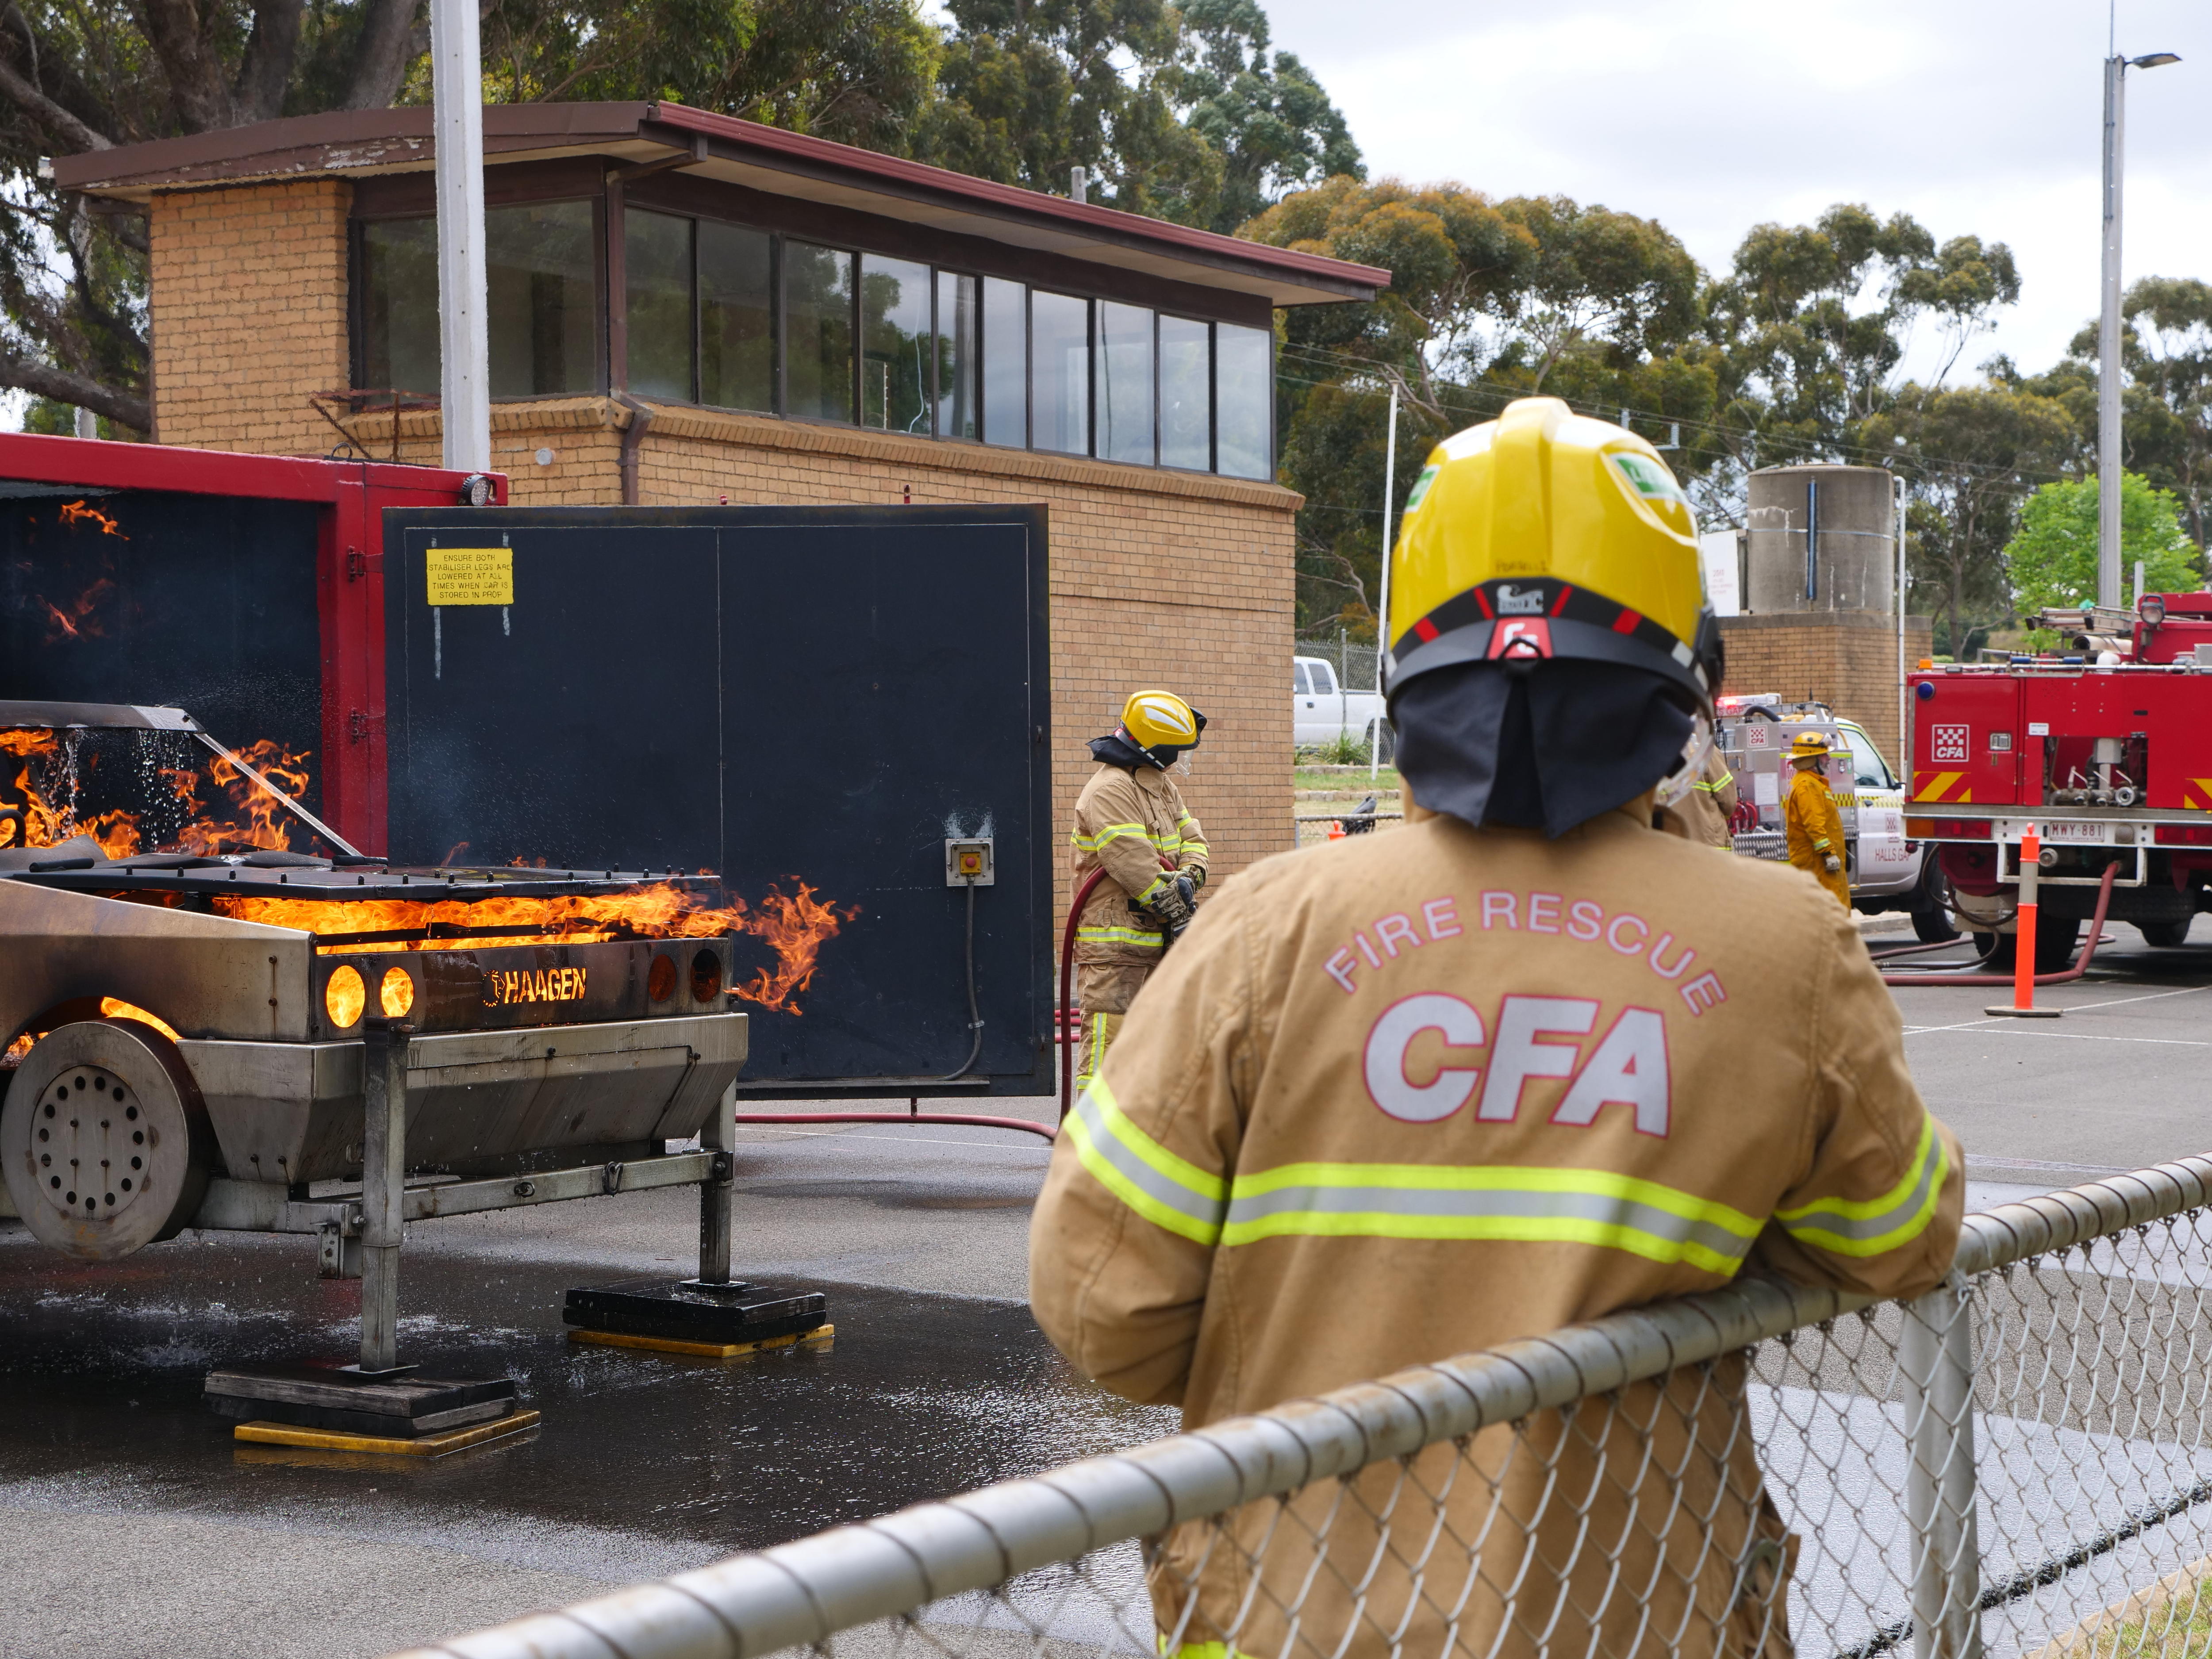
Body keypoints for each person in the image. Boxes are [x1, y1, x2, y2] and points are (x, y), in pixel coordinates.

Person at [1029, 397, 1962, 1659]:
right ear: (1687, 676)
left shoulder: (1268, 925)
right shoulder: (1781, 946)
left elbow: (1105, 1310)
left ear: (1407, 670)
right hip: (1641, 1616)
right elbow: (1898, 1237)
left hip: (1288, 1616)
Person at [1066, 690, 1210, 1091]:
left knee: (1160, 1049)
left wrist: (1190, 876)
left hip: (1157, 940)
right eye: (1175, 749)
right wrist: (1181, 912)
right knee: (1108, 1051)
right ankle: (1094, 1127)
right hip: (1115, 948)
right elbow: (1134, 863)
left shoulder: (1160, 786)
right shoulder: (1110, 790)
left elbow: (1194, 840)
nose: (1179, 759)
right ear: (1154, 746)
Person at [1784, 730, 1853, 910]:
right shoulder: (1808, 786)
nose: (1828, 758)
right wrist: (1828, 853)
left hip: (1816, 861)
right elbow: (1814, 825)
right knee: (1831, 909)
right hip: (1818, 863)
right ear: (1810, 759)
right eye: (1823, 755)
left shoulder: (1808, 783)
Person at [1658, 737, 1740, 848]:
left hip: (1671, 845)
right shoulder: (1707, 752)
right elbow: (1729, 801)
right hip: (1709, 845)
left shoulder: (1653, 756)